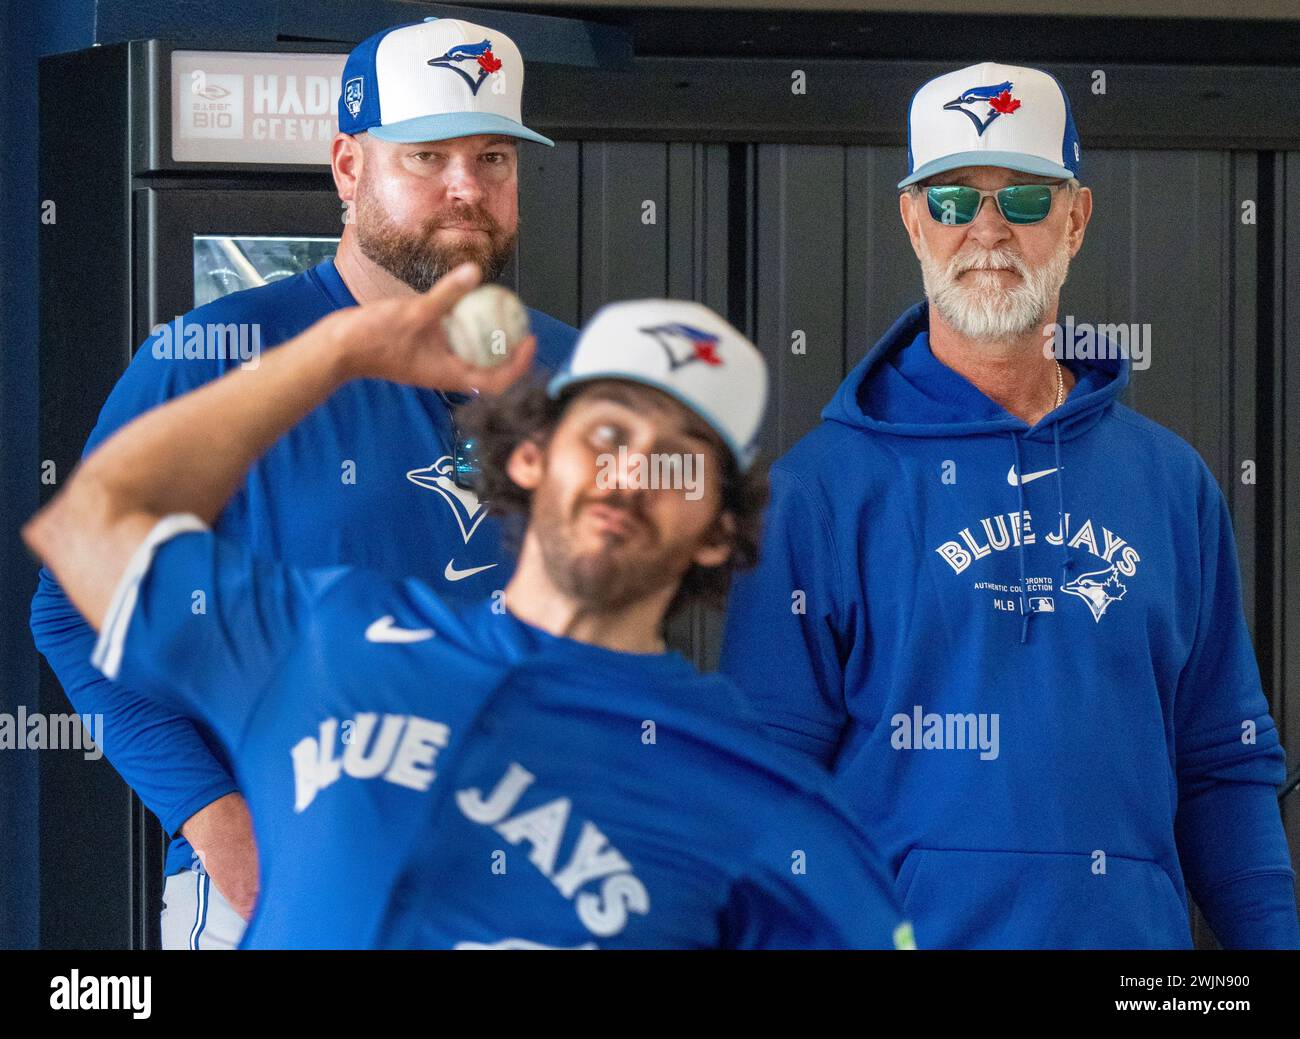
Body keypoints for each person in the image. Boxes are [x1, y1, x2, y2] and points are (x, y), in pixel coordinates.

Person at [24, 266, 912, 949]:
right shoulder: (332, 643)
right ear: (528, 459)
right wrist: (337, 352)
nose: (627, 475)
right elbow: (87, 532)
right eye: (604, 433)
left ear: (721, 530)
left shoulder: (769, 806)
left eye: (678, 459)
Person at [720, 61, 1299, 949]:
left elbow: (1222, 769)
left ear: (1077, 219)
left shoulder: (1172, 484)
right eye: (953, 200)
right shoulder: (819, 491)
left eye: (1024, 199)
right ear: (913, 221)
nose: (987, 230)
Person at [29, 16, 579, 948]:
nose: (466, 188)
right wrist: (218, 826)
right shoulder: (215, 357)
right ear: (348, 167)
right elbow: (73, 610)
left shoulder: (570, 370)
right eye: (426, 155)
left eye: (493, 156)